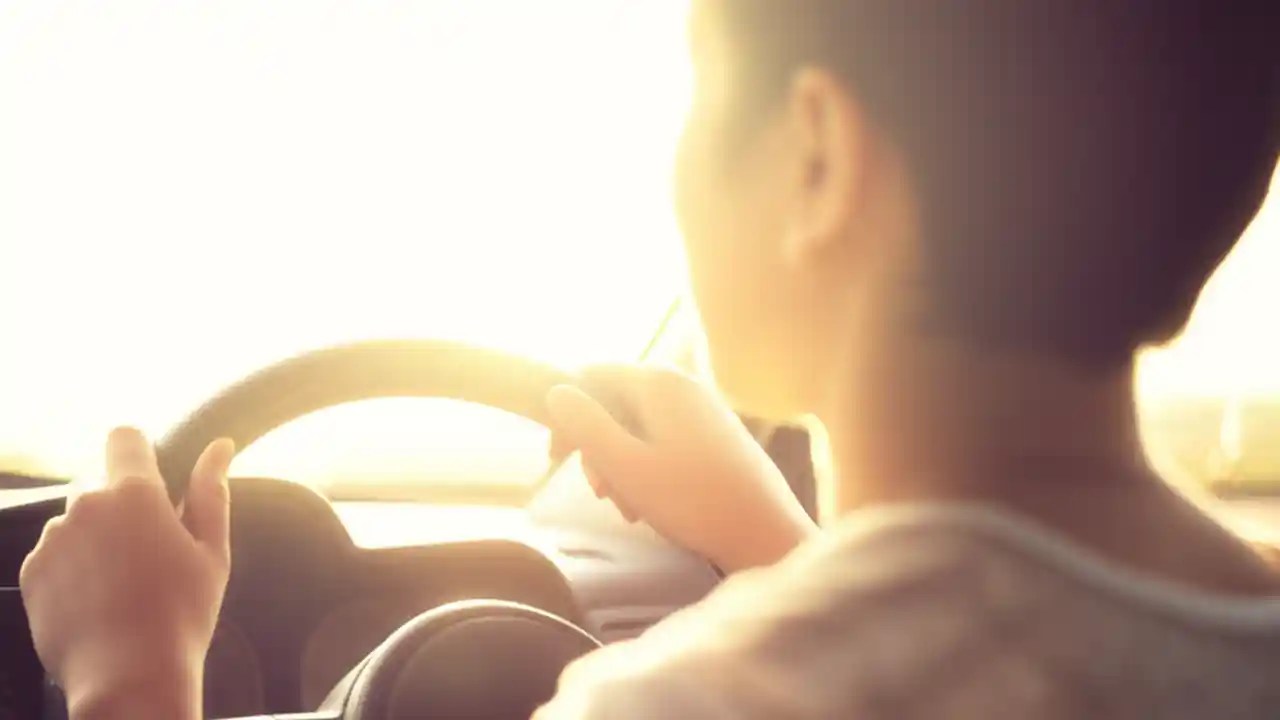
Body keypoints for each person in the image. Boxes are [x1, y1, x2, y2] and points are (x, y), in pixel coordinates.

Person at [19, 1, 1280, 718]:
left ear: (817, 161)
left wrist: (131, 670)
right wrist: (783, 547)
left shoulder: (693, 705)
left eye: (695, 85)